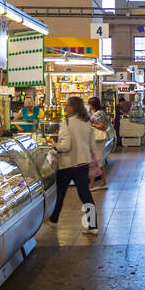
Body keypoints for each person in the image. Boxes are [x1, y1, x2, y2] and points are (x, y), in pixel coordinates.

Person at [48, 95, 99, 235]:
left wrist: (54, 145)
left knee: (60, 192)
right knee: (85, 195)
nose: (66, 108)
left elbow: (65, 146)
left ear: (73, 107)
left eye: (68, 105)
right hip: (82, 163)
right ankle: (93, 225)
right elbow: (92, 145)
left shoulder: (67, 123)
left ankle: (53, 218)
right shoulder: (87, 122)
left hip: (67, 164)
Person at [88, 97, 109, 190]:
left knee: (96, 161)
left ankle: (93, 184)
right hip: (98, 140)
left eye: (89, 104)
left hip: (98, 140)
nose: (88, 106)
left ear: (92, 105)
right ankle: (103, 182)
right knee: (98, 161)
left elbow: (103, 126)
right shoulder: (100, 112)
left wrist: (91, 124)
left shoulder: (97, 114)